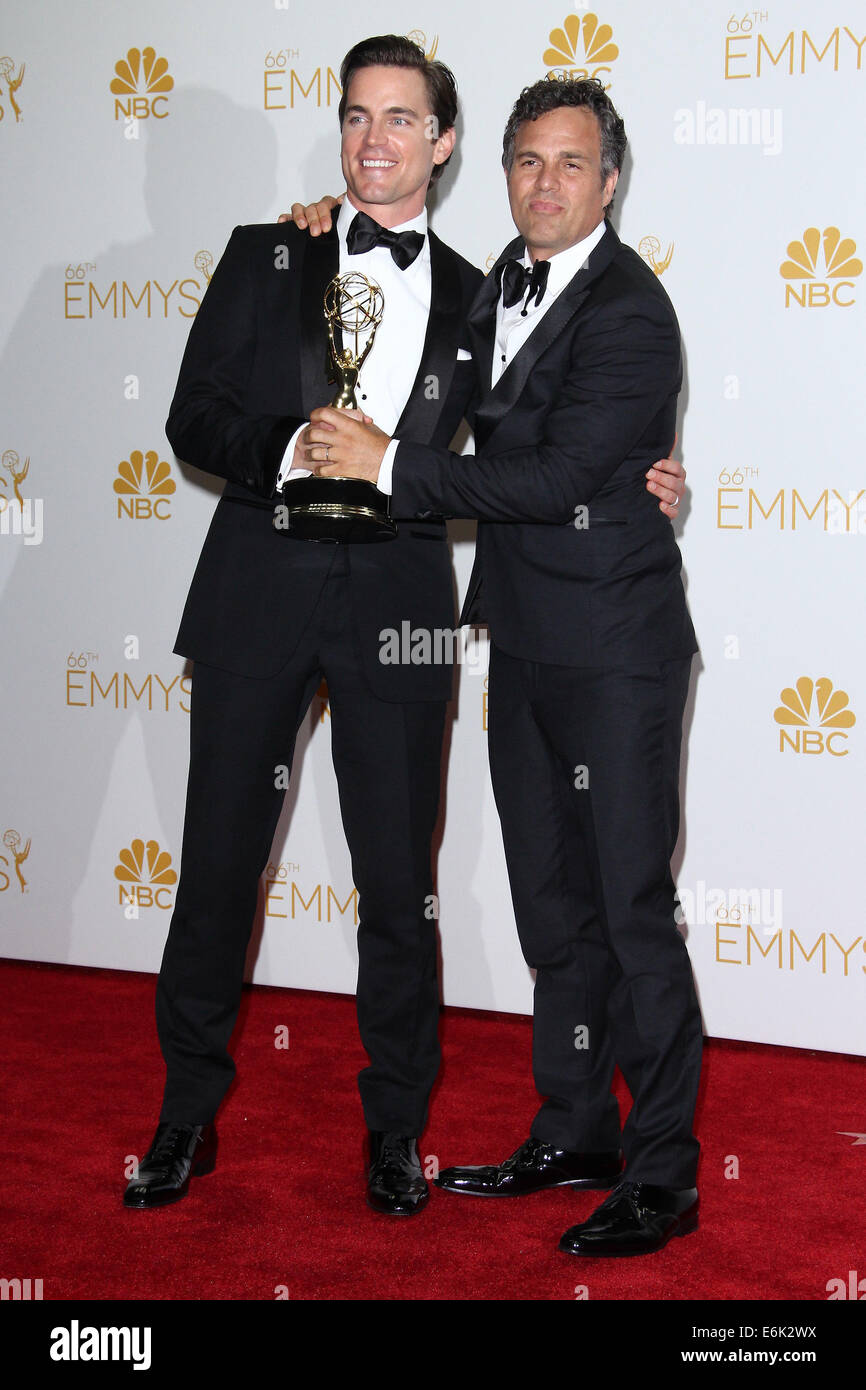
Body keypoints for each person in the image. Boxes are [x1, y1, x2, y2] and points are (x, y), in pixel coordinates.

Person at [123, 37, 684, 1220]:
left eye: (400, 119)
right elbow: (192, 415)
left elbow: (542, 445)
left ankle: (394, 1129)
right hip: (254, 593)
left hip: (400, 614)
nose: (373, 140)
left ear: (438, 145)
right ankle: (182, 1118)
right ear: (339, 133)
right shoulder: (268, 251)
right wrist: (290, 451)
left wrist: (647, 472)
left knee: (397, 884)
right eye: (355, 118)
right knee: (216, 870)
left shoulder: (484, 291)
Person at [301, 76, 703, 1256]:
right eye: (526, 159)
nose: (542, 182)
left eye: (568, 163)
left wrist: (387, 470)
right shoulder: (493, 290)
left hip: (617, 651)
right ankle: (576, 1127)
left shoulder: (631, 313)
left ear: (610, 179)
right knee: (550, 911)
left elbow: (545, 481)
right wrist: (310, 239)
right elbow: (412, 341)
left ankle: (667, 1172)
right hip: (522, 644)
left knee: (629, 908)